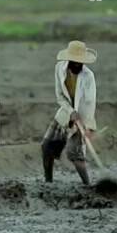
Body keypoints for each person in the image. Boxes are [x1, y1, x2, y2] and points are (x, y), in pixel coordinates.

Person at [41, 40, 97, 185]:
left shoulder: (88, 76)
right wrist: (71, 111)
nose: (78, 64)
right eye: (75, 61)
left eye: (80, 62)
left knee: (74, 152)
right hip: (65, 112)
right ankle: (48, 183)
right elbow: (59, 96)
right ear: (69, 59)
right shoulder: (59, 68)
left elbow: (90, 103)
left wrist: (89, 127)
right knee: (47, 146)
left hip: (82, 116)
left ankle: (87, 185)